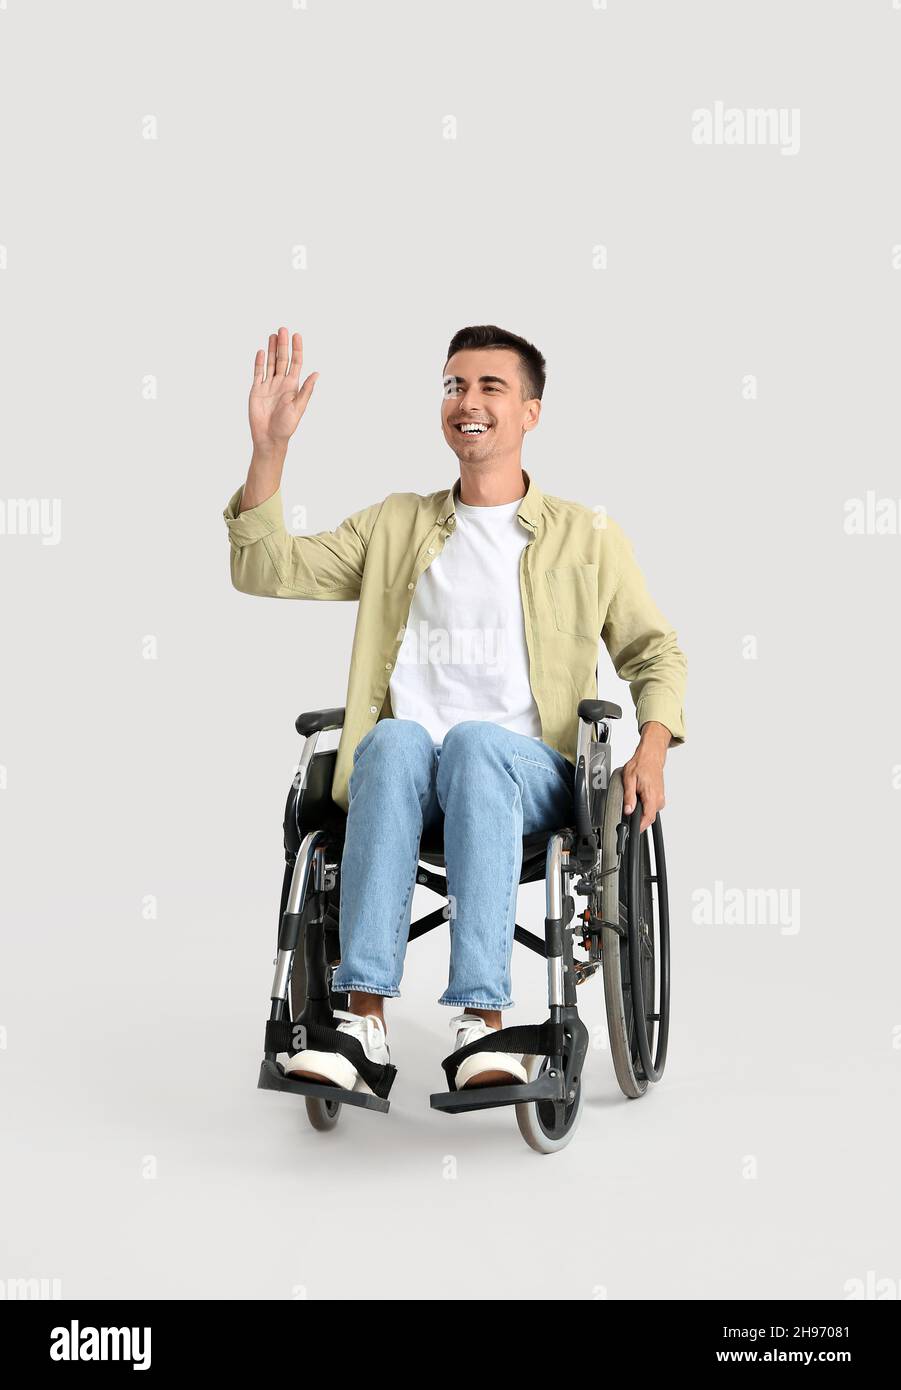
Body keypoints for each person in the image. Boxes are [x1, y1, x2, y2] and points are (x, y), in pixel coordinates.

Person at [223, 324, 687, 1094]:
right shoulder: (397, 523)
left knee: (474, 742)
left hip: (525, 776)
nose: (465, 402)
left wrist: (652, 746)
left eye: (488, 387)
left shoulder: (586, 536)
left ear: (530, 412)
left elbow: (654, 651)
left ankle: (484, 1020)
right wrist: (268, 449)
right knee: (398, 740)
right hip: (403, 781)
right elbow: (265, 569)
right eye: (452, 386)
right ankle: (360, 1022)